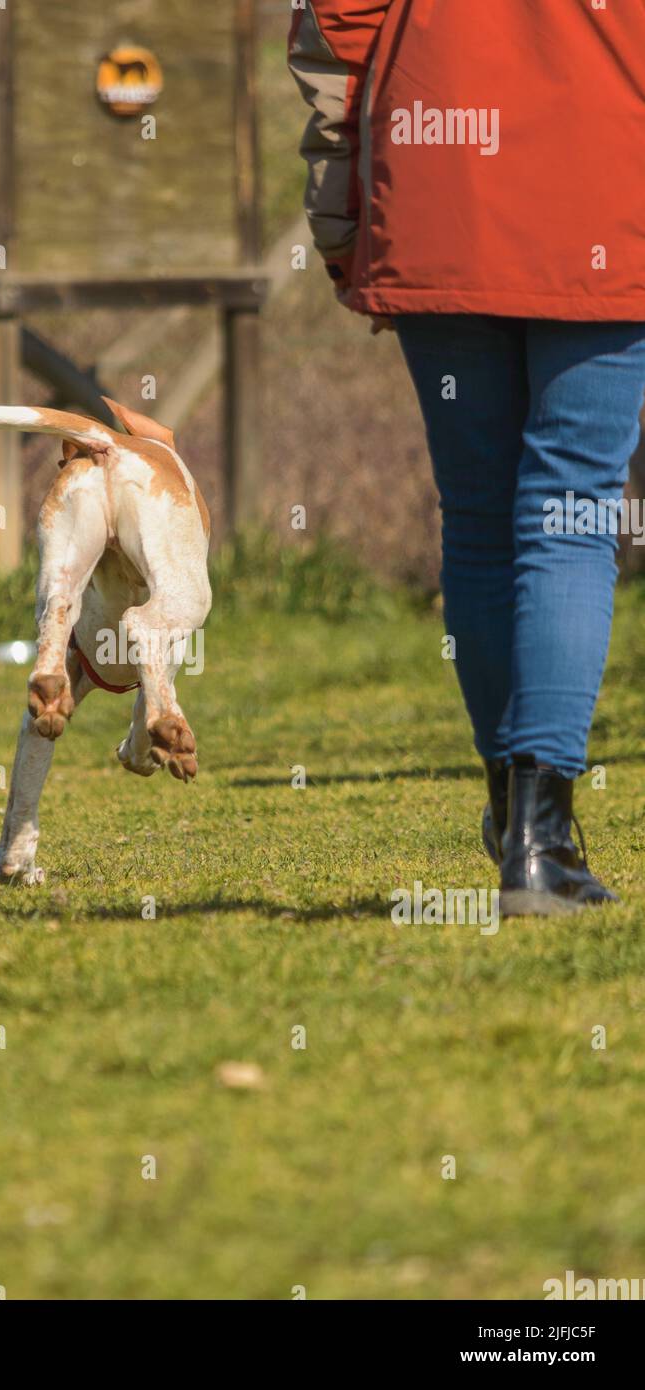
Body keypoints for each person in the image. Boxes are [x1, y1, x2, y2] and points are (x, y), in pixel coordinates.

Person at [289, 0, 645, 915]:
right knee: (570, 506)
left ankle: (514, 817)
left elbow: (337, 27)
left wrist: (340, 213)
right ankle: (541, 837)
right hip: (607, 185)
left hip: (438, 185)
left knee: (482, 518)